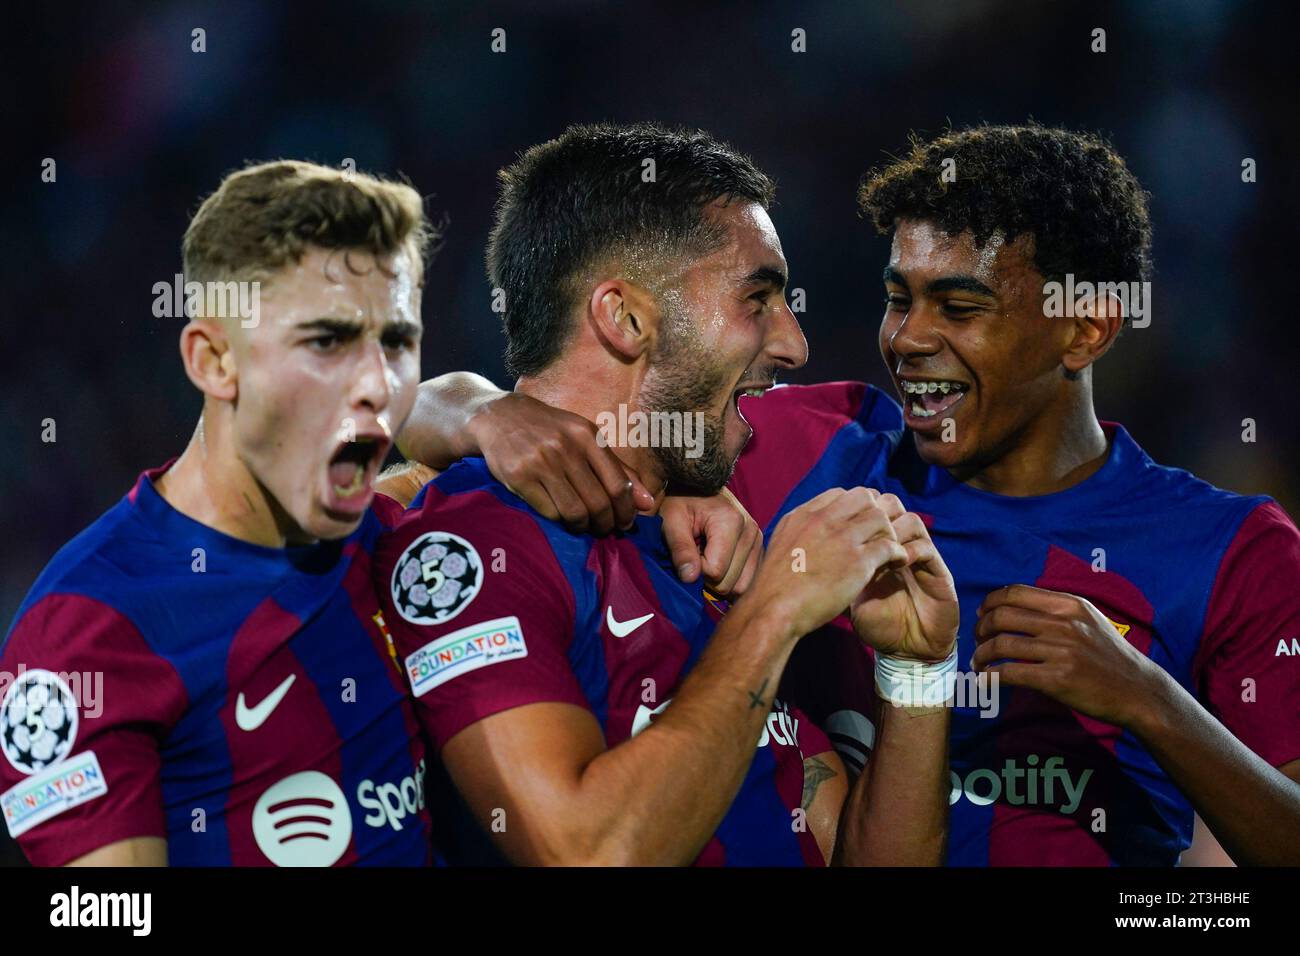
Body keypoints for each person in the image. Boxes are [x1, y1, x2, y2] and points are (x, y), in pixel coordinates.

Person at [414, 124, 1300, 865]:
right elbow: (586, 406)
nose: (907, 338)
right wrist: (480, 408)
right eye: (896, 298)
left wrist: (1151, 699)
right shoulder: (813, 450)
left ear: (1084, 327)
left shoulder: (1232, 550)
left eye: (957, 307)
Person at [376, 123, 958, 865]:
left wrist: (915, 672)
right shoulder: (478, 543)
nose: (793, 344)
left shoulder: (704, 545)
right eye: (757, 298)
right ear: (624, 318)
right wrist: (777, 611)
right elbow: (580, 852)